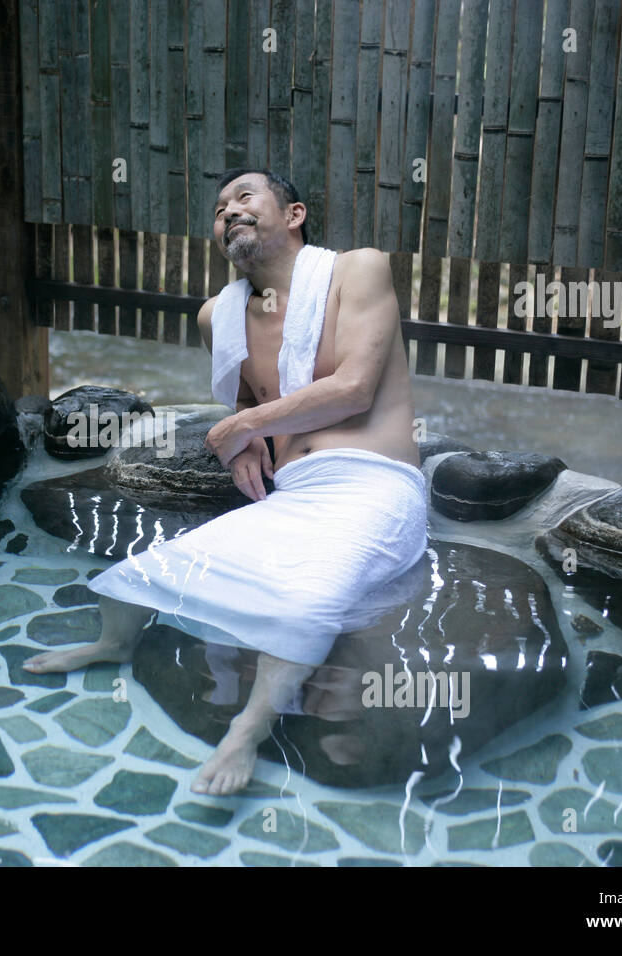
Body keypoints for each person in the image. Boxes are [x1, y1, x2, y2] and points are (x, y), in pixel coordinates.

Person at [24, 167, 427, 796]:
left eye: (245, 198)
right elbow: (253, 406)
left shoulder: (357, 270)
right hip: (294, 497)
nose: (228, 212)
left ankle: (249, 728)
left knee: (305, 605)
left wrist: (233, 428)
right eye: (218, 209)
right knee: (134, 579)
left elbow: (353, 390)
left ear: (293, 216)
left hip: (375, 486)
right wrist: (245, 440)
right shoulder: (221, 315)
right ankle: (113, 645)